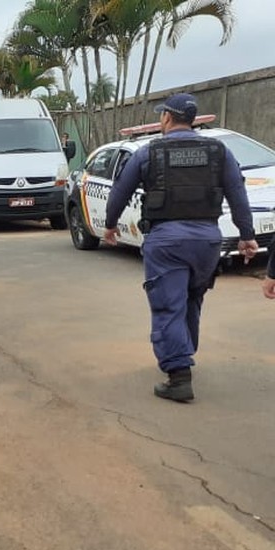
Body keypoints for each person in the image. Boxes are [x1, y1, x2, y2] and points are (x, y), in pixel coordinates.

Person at [103, 93, 258, 402]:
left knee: (168, 305)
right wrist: (247, 235)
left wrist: (110, 226)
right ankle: (183, 353)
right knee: (191, 300)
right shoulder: (219, 152)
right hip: (207, 242)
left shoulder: (149, 152)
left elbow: (120, 190)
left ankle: (178, 376)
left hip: (167, 242)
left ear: (167, 118)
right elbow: (237, 193)